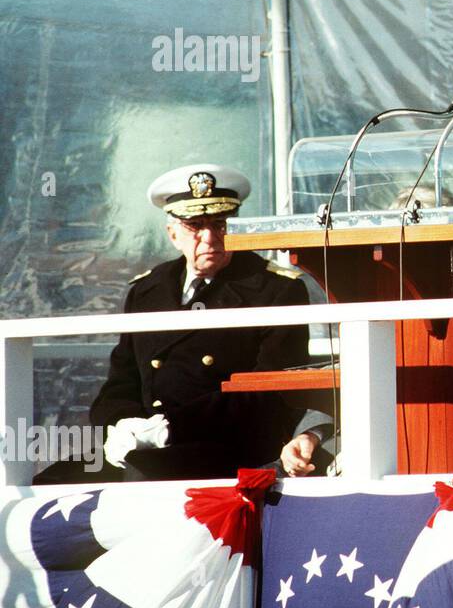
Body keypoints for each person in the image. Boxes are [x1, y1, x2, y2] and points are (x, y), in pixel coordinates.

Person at [35, 164, 330, 484]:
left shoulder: (275, 289)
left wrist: (171, 427)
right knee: (48, 485)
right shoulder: (147, 290)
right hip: (145, 443)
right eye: (195, 226)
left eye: (220, 224)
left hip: (227, 447)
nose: (209, 238)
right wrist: (121, 425)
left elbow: (268, 393)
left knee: (143, 475)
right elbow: (120, 382)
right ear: (173, 234)